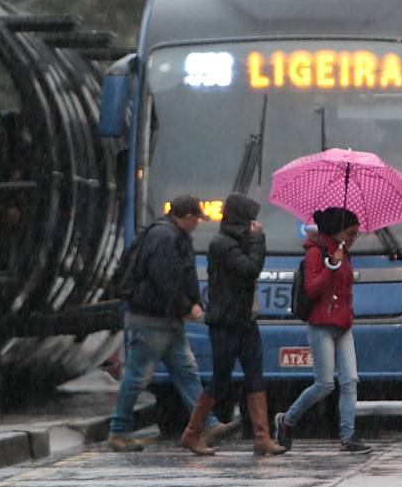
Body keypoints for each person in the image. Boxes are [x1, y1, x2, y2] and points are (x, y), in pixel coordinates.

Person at [107, 195, 229, 452]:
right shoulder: (166, 237)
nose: (197, 223)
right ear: (186, 217)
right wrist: (186, 307)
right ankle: (118, 431)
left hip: (166, 319)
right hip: (152, 320)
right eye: (196, 218)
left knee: (187, 373)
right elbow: (165, 280)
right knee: (138, 376)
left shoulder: (167, 234)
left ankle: (206, 423)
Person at [181, 193, 285, 456]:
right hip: (226, 322)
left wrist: (253, 240)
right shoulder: (222, 244)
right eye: (250, 218)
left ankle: (262, 436)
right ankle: (192, 433)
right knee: (221, 379)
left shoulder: (237, 241)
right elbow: (250, 269)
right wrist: (258, 239)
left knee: (255, 375)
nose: (254, 224)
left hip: (245, 320)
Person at [274, 207, 373, 454]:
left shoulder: (344, 253)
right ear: (337, 231)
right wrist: (331, 267)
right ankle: (287, 420)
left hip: (343, 324)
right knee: (325, 384)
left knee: (350, 380)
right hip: (321, 325)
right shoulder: (315, 254)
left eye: (356, 234)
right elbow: (312, 289)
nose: (353, 238)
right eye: (351, 233)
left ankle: (348, 436)